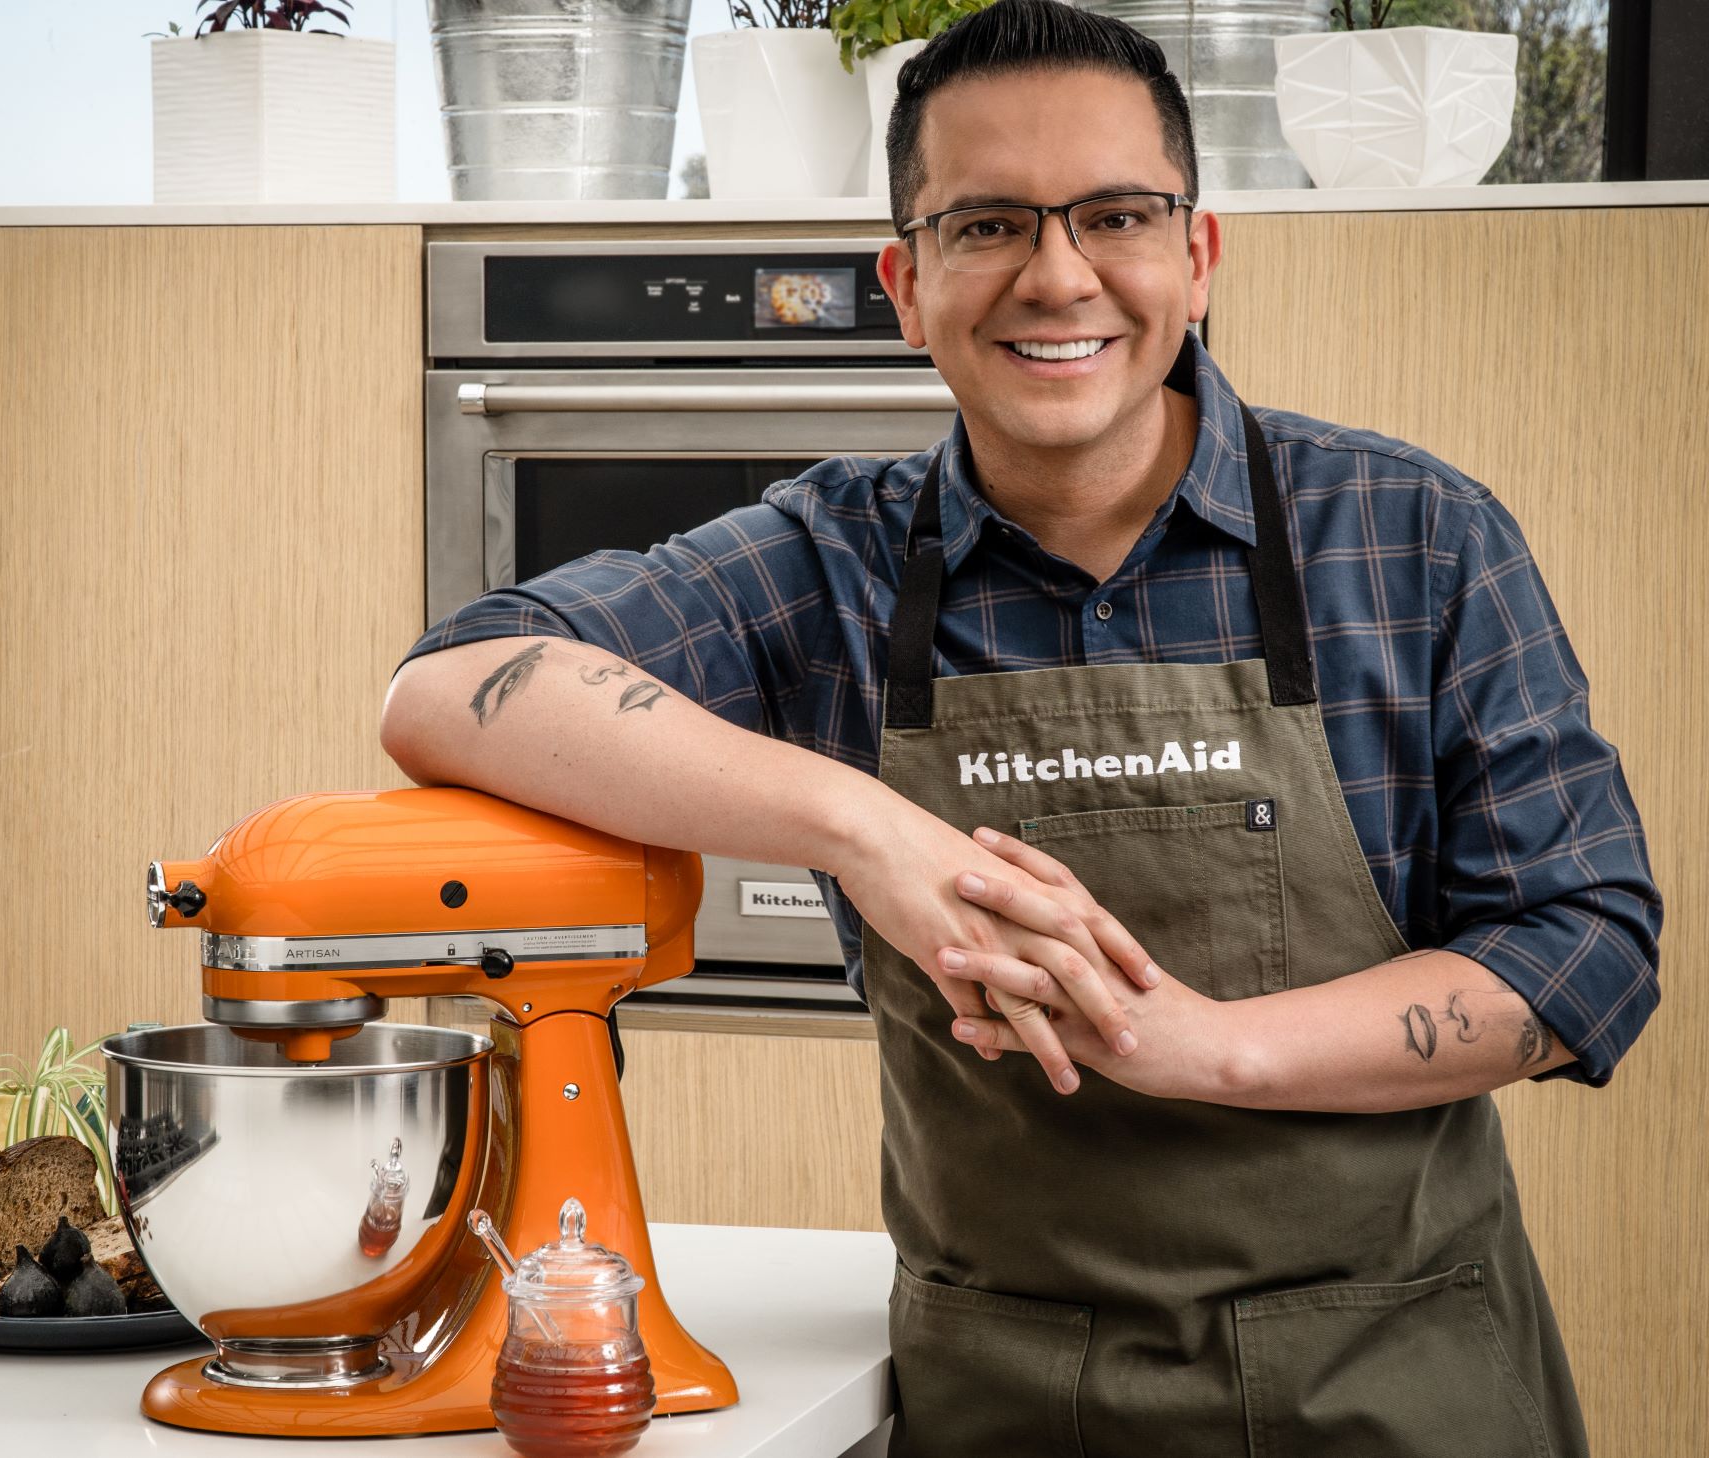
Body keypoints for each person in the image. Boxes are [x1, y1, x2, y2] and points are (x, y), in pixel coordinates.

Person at [380, 4, 1659, 1453]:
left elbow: (1587, 946)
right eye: (986, 224)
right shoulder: (833, 562)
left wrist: (1208, 1049)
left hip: (1399, 1384)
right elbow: (451, 683)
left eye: (1114, 215)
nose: (1056, 276)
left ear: (1198, 254)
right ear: (906, 284)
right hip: (1011, 1401)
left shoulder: (1411, 534)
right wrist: (868, 832)